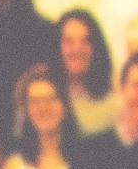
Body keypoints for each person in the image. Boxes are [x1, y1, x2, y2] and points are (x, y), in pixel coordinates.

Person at [6, 66, 77, 169]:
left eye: (50, 99)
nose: (43, 107)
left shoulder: (82, 164)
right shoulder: (13, 166)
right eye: (35, 101)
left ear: (65, 106)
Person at [50, 7, 119, 139]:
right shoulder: (41, 92)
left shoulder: (113, 100)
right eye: (69, 42)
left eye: (85, 41)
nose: (77, 49)